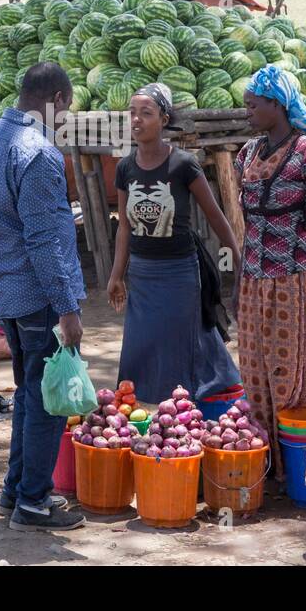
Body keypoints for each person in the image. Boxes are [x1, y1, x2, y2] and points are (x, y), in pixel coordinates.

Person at [0, 62, 86, 533]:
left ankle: (15, 491)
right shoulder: (38, 153)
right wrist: (70, 308)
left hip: (3, 290)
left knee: (28, 391)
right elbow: (45, 240)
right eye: (66, 109)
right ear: (55, 98)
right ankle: (34, 502)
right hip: (38, 295)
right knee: (47, 399)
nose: (64, 118)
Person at [233, 65, 306, 477]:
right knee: (256, 370)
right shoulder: (246, 154)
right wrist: (237, 284)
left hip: (298, 278)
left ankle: (304, 465)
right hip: (253, 279)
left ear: (277, 104)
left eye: (253, 104)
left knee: (295, 370)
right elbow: (246, 226)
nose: (247, 111)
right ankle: (269, 465)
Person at [107, 84, 242, 405]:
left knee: (187, 343)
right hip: (141, 274)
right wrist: (116, 275)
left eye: (146, 113)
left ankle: (198, 405)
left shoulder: (182, 164)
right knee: (141, 345)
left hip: (180, 272)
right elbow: (124, 227)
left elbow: (215, 217)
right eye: (132, 113)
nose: (136, 120)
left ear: (164, 120)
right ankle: (148, 407)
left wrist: (239, 259)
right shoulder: (126, 167)